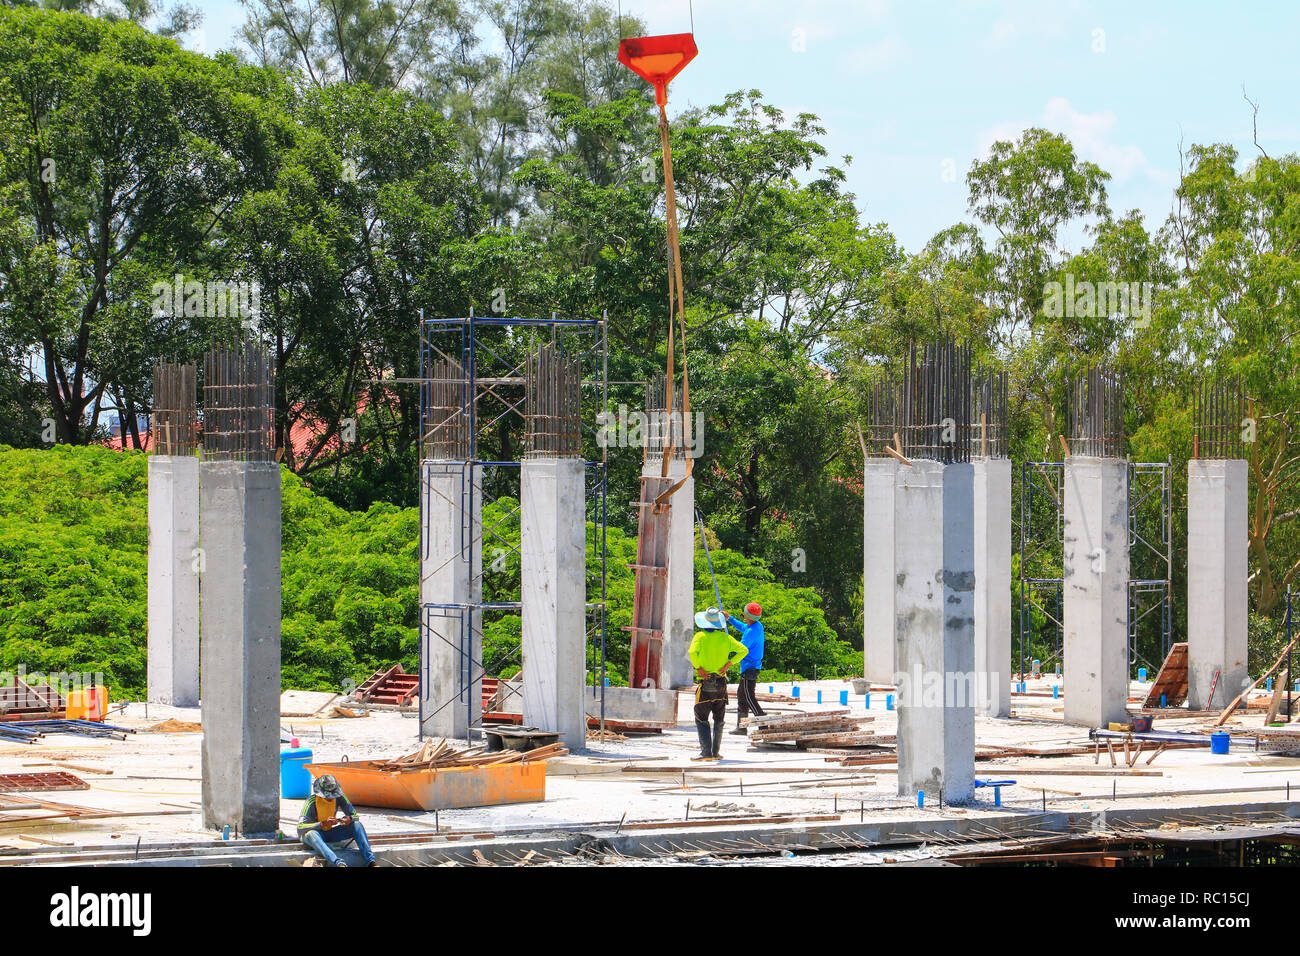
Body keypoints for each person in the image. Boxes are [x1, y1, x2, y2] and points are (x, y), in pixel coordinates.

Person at [688, 606, 750, 761]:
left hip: (706, 680)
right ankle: (715, 752)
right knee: (719, 717)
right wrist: (729, 664)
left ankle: (706, 752)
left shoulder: (700, 636)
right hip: (721, 682)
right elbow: (744, 650)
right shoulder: (726, 638)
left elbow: (691, 653)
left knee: (701, 716)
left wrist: (699, 668)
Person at [297, 773, 377, 867]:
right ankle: (338, 863)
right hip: (315, 834)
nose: (331, 799)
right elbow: (300, 826)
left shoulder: (340, 797)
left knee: (357, 825)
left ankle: (371, 862)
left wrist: (349, 819)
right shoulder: (311, 802)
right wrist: (321, 824)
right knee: (312, 834)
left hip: (330, 832)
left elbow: (355, 816)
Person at [728, 602, 767, 734]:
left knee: (748, 697)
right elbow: (744, 627)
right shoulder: (757, 626)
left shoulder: (750, 633)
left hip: (749, 668)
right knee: (742, 696)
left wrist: (726, 643)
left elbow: (741, 648)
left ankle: (763, 722)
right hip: (751, 667)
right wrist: (730, 619)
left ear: (747, 615)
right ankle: (742, 726)